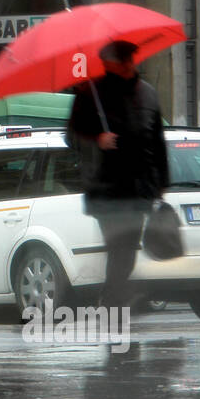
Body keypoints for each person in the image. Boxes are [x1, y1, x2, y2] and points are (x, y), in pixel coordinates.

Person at [68, 40, 170, 310]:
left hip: (138, 190)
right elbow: (71, 136)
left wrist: (161, 184)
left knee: (127, 252)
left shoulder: (147, 94)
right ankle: (114, 301)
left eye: (128, 59)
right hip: (107, 190)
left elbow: (157, 142)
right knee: (119, 247)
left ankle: (112, 298)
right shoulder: (90, 94)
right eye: (118, 60)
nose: (126, 64)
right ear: (108, 64)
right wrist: (96, 139)